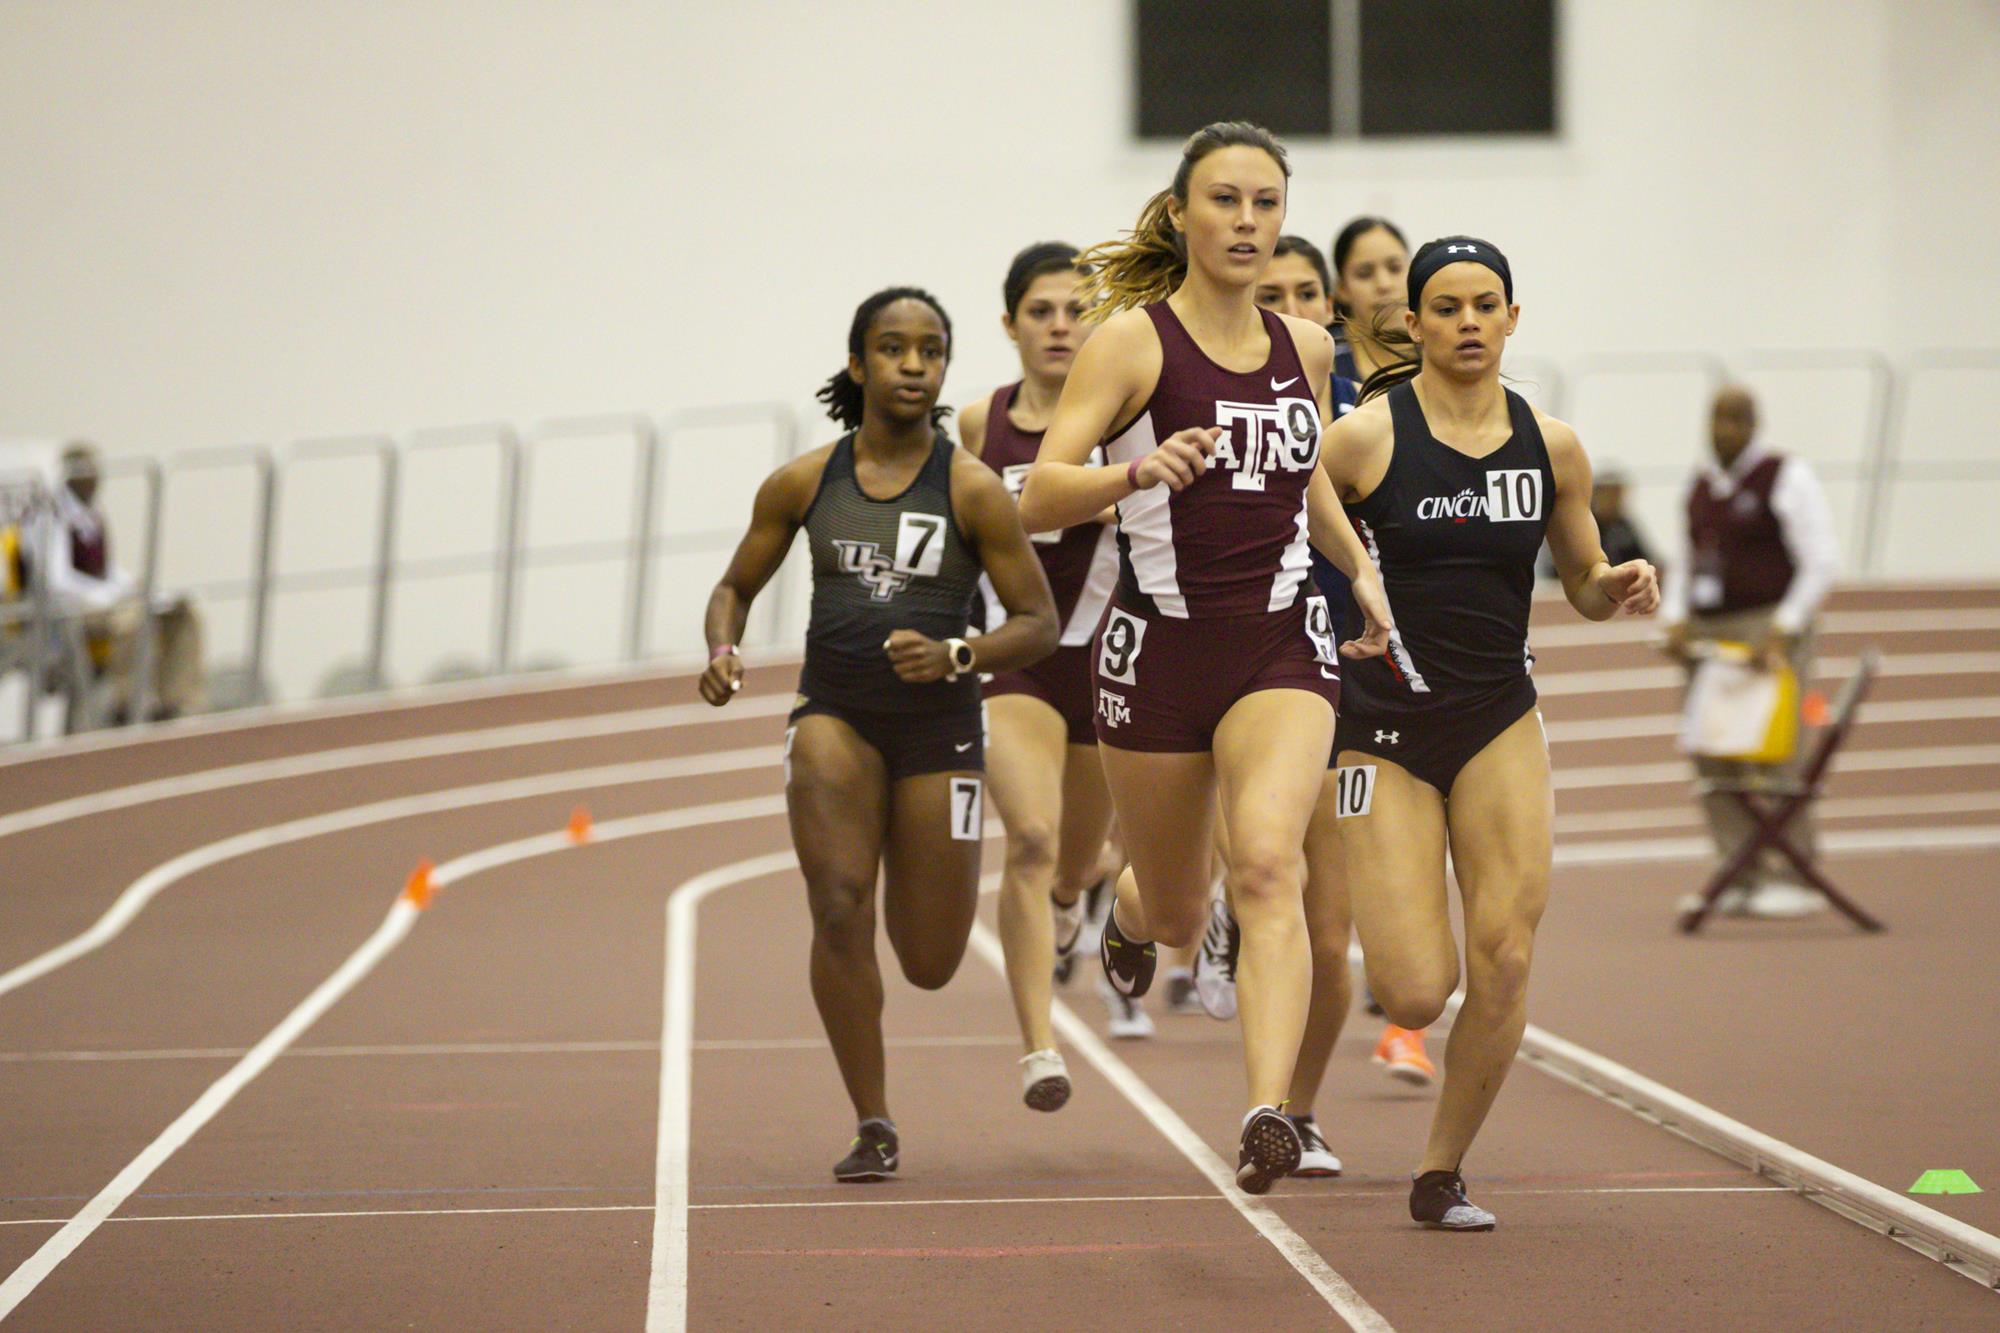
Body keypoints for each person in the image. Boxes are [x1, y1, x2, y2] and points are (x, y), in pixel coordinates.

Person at [1018, 121, 1394, 1195]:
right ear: (1181, 214)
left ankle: (1267, 1111)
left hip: (1280, 642)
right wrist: (1133, 478)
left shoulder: (1307, 350)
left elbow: (1302, 476)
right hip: (1156, 654)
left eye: (1263, 202)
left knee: (1270, 862)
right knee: (1181, 911)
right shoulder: (1130, 345)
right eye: (1223, 200)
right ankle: (1131, 911)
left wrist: (1355, 568)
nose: (1244, 220)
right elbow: (1040, 494)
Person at [1319, 236, 1659, 1229]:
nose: (1467, 322)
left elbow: (1584, 581)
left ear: (1512, 317)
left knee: (1504, 954)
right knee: (1415, 989)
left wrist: (1613, 585)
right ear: (1413, 324)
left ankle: (1439, 1170)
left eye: (1484, 304)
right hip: (1378, 728)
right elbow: (1286, 544)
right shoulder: (1362, 441)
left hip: (1496, 715)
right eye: (1446, 306)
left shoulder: (1549, 446)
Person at [699, 286, 1060, 1181]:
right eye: (893, 349)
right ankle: (873, 1120)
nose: (912, 364)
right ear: (858, 364)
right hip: (837, 718)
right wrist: (722, 645)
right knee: (837, 907)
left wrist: (959, 654)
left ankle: (913, 873)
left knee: (932, 960)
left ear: (943, 367)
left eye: (930, 351)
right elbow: (733, 584)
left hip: (940, 731)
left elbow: (1038, 622)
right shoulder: (803, 482)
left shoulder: (970, 487)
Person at [1253, 232, 1437, 1115]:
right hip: (1248, 661)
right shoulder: (1222, 399)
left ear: (1329, 310)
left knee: (1330, 929)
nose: (1290, 307)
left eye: (1304, 292)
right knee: (1217, 881)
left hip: (1349, 668)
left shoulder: (1374, 411)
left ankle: (1296, 1112)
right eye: (1271, 293)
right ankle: (1190, 909)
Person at [957, 242, 1120, 1108]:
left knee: (1078, 855)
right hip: (1018, 659)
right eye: (1042, 312)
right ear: (1011, 323)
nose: (1061, 326)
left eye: (1075, 310)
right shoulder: (982, 424)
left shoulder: (1123, 417)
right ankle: (1039, 1048)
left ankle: (1068, 903)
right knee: (1027, 836)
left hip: (1103, 656)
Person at [1661, 385, 1838, 919]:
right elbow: (1685, 560)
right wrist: (1672, 620)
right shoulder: (1700, 487)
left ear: (1756, 422)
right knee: (1711, 754)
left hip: (1767, 629)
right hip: (1710, 634)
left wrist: (1785, 627)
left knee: (1775, 750)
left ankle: (1795, 874)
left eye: (1738, 418)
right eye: (1719, 417)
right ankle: (1739, 870)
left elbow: (1822, 559)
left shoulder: (1786, 476)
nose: (1727, 428)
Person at [44, 441, 206, 723]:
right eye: (86, 474)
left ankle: (175, 700)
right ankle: (125, 704)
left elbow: (107, 570)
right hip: (75, 610)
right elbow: (57, 580)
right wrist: (105, 597)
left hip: (105, 602)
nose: (94, 480)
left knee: (182, 614)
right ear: (69, 477)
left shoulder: (94, 515)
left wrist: (129, 585)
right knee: (136, 619)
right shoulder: (52, 517)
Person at [1538, 466, 1654, 580]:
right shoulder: (1581, 524)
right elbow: (1560, 566)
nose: (1615, 500)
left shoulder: (1623, 526)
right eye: (1611, 494)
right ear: (1597, 493)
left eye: (1618, 495)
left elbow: (1644, 558)